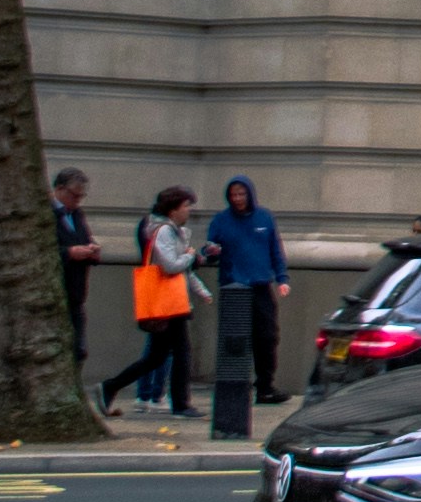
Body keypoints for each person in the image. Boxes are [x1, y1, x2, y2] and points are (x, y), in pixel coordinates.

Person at [111, 186, 200, 416]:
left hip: (172, 301)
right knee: (180, 352)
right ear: (173, 210)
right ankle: (180, 403)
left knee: (157, 356)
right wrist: (190, 255)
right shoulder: (164, 232)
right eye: (186, 206)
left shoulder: (170, 230)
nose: (189, 211)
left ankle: (111, 386)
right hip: (168, 301)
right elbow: (171, 266)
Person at [202, 174, 288, 399]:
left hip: (260, 284)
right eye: (233, 195)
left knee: (267, 336)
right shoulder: (221, 220)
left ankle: (265, 386)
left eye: (241, 194)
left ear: (249, 194)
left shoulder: (264, 218)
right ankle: (236, 386)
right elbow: (209, 250)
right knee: (236, 338)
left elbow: (275, 250)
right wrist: (210, 253)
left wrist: (282, 278)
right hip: (234, 286)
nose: (238, 199)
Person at [51, 169, 96, 365]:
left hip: (76, 292)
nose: (78, 200)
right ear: (60, 190)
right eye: (74, 195)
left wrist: (91, 250)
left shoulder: (77, 214)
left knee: (78, 349)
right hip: (55, 291)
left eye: (81, 196)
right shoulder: (47, 214)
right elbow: (40, 252)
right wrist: (69, 253)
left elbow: (85, 239)